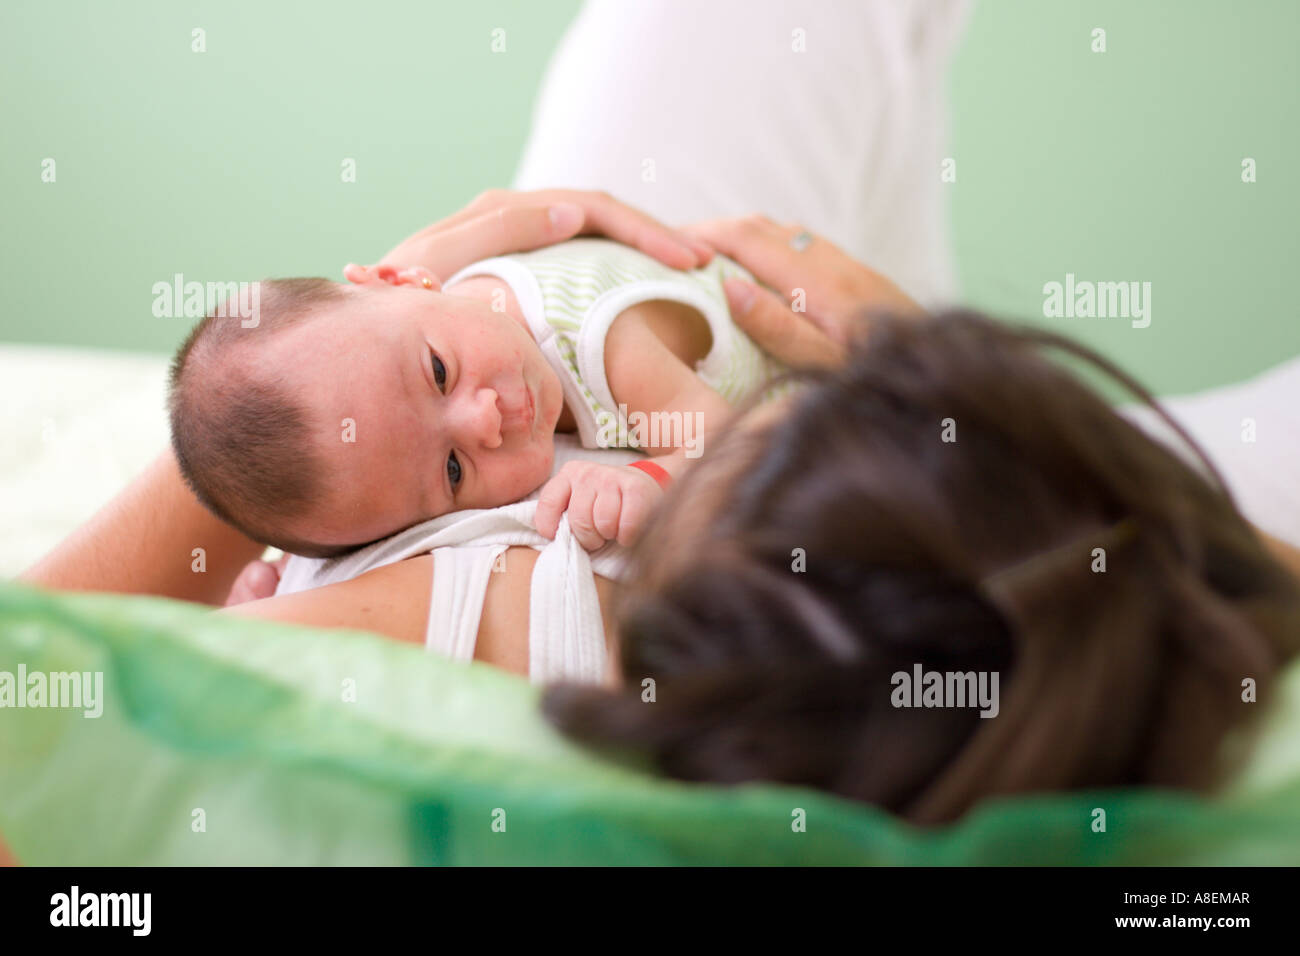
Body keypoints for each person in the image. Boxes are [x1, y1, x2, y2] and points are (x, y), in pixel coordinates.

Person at [166, 237, 783, 559]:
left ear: (401, 277)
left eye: (438, 372)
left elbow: (735, 443)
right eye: (453, 469)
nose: (484, 418)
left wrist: (650, 477)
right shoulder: (430, 323)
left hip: (787, 329)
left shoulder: (604, 342)